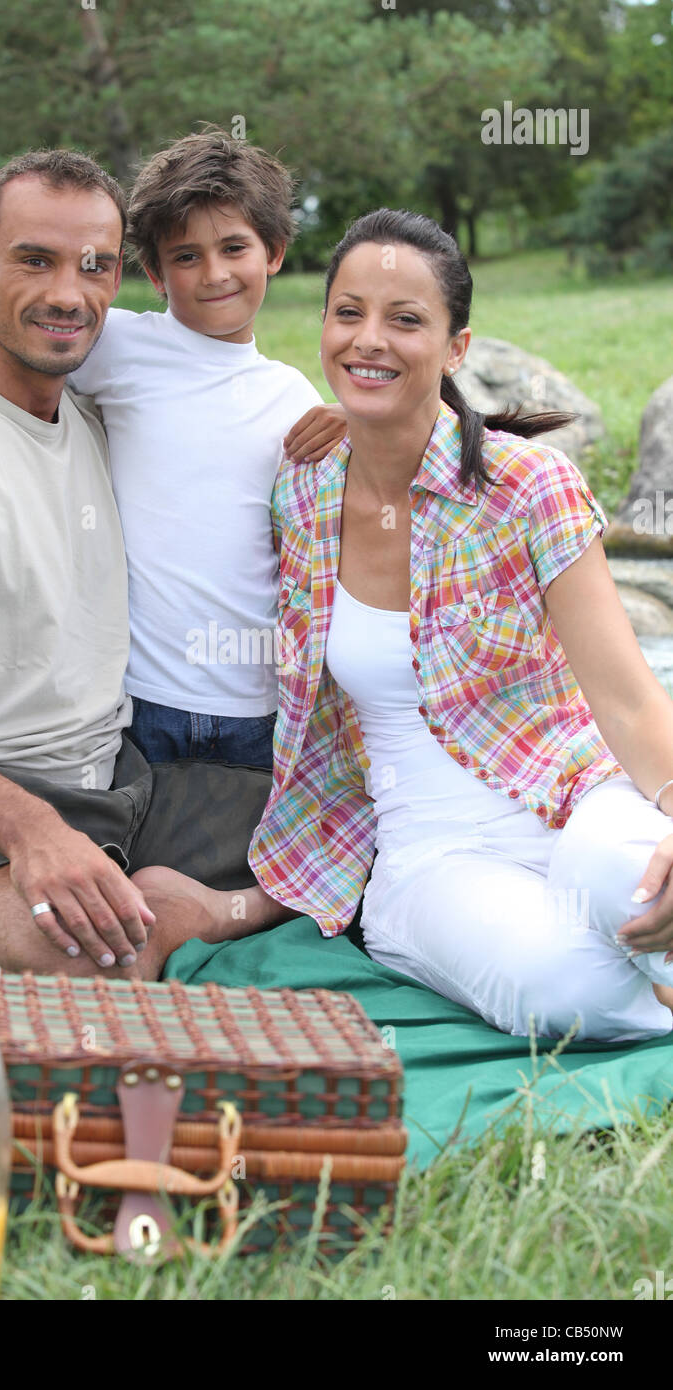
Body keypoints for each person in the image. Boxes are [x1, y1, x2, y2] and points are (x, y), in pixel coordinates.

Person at [0, 149, 294, 981]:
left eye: (95, 266)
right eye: (34, 260)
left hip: (124, 778)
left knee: (356, 852)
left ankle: (194, 905)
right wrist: (31, 832)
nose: (67, 293)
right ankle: (152, 909)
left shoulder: (95, 409)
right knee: (96, 959)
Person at [248, 208, 673, 1042]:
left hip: (576, 790)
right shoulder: (299, 493)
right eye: (349, 313)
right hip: (428, 857)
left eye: (406, 320)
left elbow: (626, 700)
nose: (369, 339)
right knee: (559, 989)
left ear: (457, 348)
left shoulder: (528, 487)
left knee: (628, 876)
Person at [0, 129, 346, 771]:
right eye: (186, 257)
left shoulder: (292, 395)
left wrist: (359, 420)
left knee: (255, 853)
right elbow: (17, 346)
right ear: (153, 273)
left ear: (275, 253)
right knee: (140, 841)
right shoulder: (119, 345)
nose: (214, 274)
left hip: (258, 702)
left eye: (235, 248)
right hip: (138, 702)